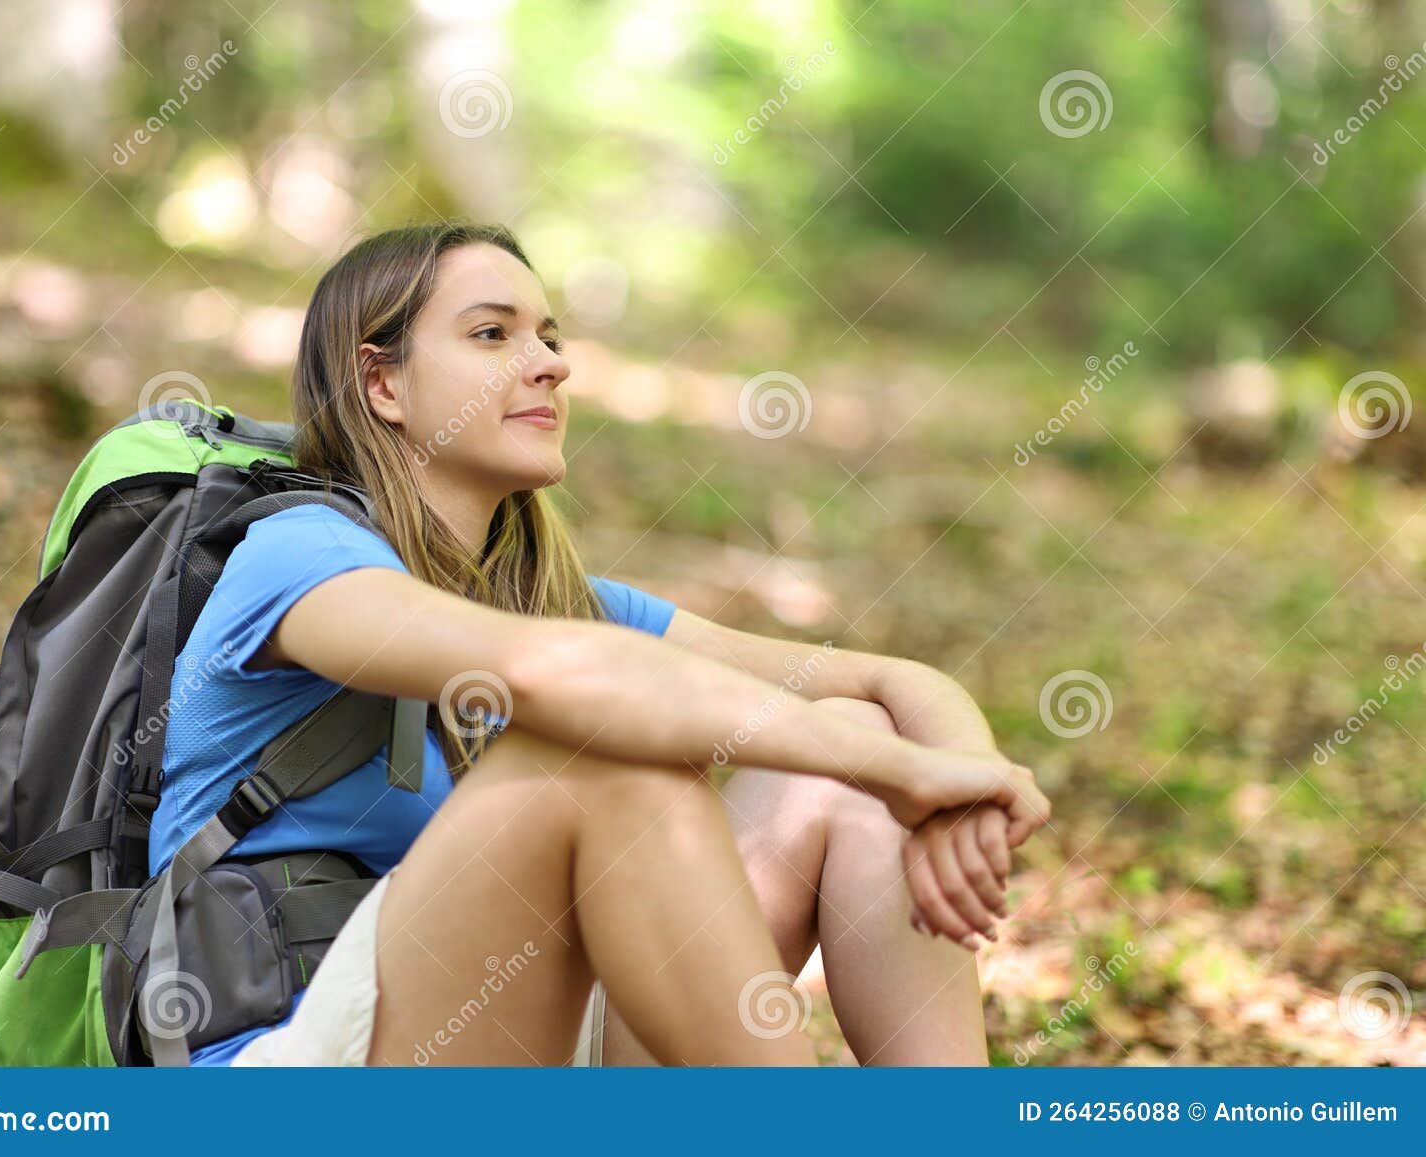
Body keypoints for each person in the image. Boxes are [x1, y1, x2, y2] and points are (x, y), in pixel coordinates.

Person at [149, 222, 1050, 1068]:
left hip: (504, 1046)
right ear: (382, 383)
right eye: (493, 335)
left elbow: (889, 682)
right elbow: (564, 681)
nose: (551, 364)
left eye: (547, 336)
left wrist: (958, 782)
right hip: (284, 1070)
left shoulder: (550, 600)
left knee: (843, 750)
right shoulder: (298, 553)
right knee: (588, 760)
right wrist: (899, 764)